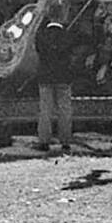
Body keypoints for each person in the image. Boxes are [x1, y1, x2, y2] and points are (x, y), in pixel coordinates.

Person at [34, 18, 74, 152]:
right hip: (64, 76)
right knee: (65, 109)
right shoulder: (67, 36)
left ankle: (44, 141)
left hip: (46, 77)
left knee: (45, 109)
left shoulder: (41, 36)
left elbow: (39, 52)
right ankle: (66, 141)